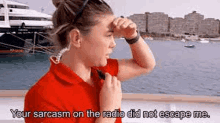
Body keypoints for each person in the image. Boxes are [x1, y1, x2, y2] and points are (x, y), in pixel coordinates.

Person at [24, 0, 156, 123]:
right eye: (109, 35)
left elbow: (145, 65)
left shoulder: (101, 71)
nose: (113, 44)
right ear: (76, 38)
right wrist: (107, 113)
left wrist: (132, 36)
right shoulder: (43, 96)